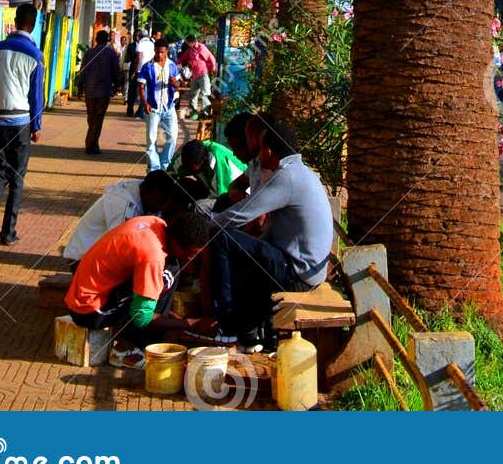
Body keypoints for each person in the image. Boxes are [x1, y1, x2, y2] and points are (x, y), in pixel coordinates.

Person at [209, 119, 334, 345]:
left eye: (260, 149)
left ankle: (228, 326)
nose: (257, 154)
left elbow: (243, 213)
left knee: (223, 239)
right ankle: (250, 332)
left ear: (268, 150)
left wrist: (209, 224)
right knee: (243, 248)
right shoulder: (298, 172)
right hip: (305, 268)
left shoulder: (287, 177)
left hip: (298, 274)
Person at [65, 207, 210, 346]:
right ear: (177, 244)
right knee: (167, 275)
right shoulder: (153, 255)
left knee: (169, 269)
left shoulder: (155, 223)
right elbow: (141, 317)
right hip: (89, 311)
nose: (192, 259)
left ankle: (153, 329)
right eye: (192, 255)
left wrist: (175, 318)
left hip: (84, 295)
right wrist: (188, 324)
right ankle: (137, 342)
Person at [0, 4, 45, 245]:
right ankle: (8, 232)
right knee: (17, 177)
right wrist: (36, 125)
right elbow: (36, 95)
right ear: (32, 24)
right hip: (20, 122)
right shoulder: (35, 55)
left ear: (15, 21)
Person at [63, 169, 178, 263]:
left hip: (95, 255)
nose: (161, 206)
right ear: (147, 193)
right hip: (81, 261)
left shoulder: (141, 190)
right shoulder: (124, 206)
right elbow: (120, 248)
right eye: (160, 201)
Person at [139, 37, 183, 171]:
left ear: (167, 51)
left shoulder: (172, 66)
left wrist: (174, 83)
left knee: (172, 137)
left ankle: (165, 165)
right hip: (153, 108)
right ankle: (153, 168)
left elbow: (178, 85)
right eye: (157, 52)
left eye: (162, 52)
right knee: (151, 140)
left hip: (168, 108)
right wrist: (144, 102)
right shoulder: (147, 66)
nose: (159, 55)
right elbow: (141, 87)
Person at [76, 31, 121, 154]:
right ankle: (90, 144)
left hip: (89, 90)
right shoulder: (111, 54)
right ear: (107, 40)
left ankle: (93, 143)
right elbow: (116, 72)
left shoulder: (89, 53)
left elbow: (82, 71)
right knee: (98, 118)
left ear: (96, 39)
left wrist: (80, 88)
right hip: (103, 91)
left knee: (91, 117)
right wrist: (117, 86)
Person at [170, 137, 245, 204]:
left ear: (202, 162)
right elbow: (168, 175)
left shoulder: (218, 161)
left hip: (236, 195)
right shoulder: (184, 155)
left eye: (192, 170)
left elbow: (221, 198)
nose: (190, 172)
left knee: (201, 207)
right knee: (181, 186)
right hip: (210, 188)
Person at [179, 35, 216, 119]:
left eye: (189, 43)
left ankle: (206, 113)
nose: (188, 44)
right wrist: (178, 62)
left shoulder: (201, 47)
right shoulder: (190, 50)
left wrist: (213, 67)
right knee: (193, 94)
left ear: (193, 42)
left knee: (205, 94)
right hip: (195, 75)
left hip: (203, 74)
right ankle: (193, 113)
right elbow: (183, 57)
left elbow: (210, 57)